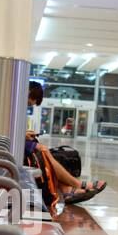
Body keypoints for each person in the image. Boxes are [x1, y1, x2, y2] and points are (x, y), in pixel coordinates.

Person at [23, 81, 105, 214]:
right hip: (9, 145)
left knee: (44, 152)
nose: (28, 106)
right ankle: (76, 185)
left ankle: (66, 188)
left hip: (16, 143)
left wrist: (25, 134)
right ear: (28, 93)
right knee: (44, 151)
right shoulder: (11, 104)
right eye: (29, 103)